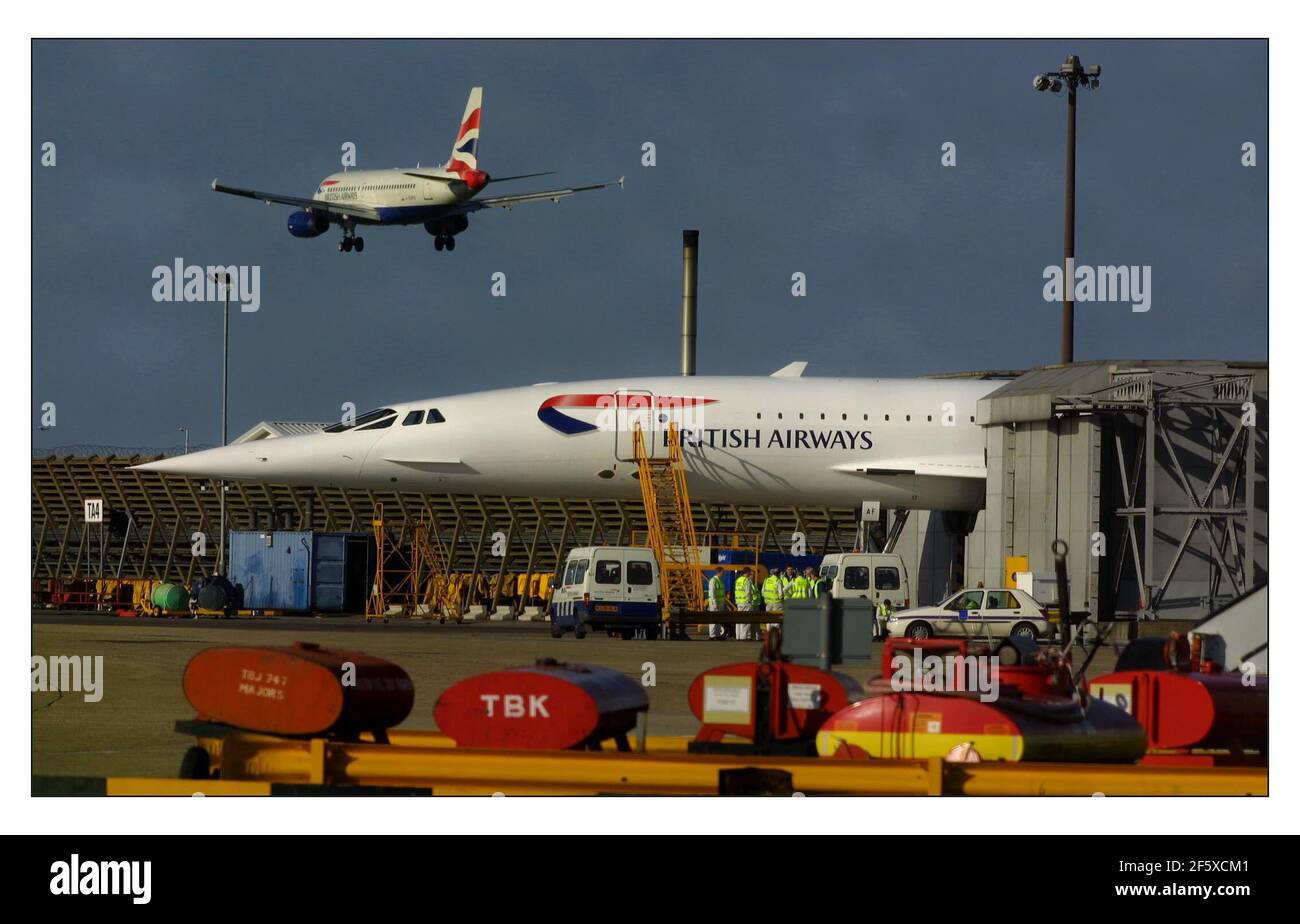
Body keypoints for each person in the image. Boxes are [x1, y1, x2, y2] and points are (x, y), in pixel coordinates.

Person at [733, 569, 756, 640]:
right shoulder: (746, 581)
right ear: (747, 572)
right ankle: (744, 637)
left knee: (739, 621)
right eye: (750, 572)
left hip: (739, 602)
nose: (751, 574)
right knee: (746, 621)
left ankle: (738, 636)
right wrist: (750, 602)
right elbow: (748, 592)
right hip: (746, 603)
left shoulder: (738, 580)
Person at [706, 569, 729, 639]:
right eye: (723, 572)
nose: (723, 574)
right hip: (715, 604)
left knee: (719, 620)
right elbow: (712, 593)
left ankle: (718, 634)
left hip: (720, 602)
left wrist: (724, 603)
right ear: (719, 572)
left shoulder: (720, 580)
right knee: (713, 620)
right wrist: (715, 603)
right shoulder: (713, 581)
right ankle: (712, 635)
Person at [761, 567, 784, 635]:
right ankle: (775, 635)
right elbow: (781, 594)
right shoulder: (778, 580)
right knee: (776, 620)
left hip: (768, 603)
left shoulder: (766, 580)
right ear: (778, 574)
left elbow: (762, 592)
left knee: (769, 619)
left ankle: (768, 634)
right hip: (777, 603)